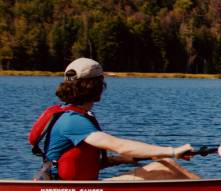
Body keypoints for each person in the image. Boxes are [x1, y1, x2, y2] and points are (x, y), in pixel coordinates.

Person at [37, 58, 200, 181]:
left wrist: (151, 155)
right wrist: (172, 151)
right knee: (167, 166)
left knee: (166, 163)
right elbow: (120, 146)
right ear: (96, 87)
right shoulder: (73, 121)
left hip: (83, 187)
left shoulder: (73, 116)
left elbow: (88, 162)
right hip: (73, 189)